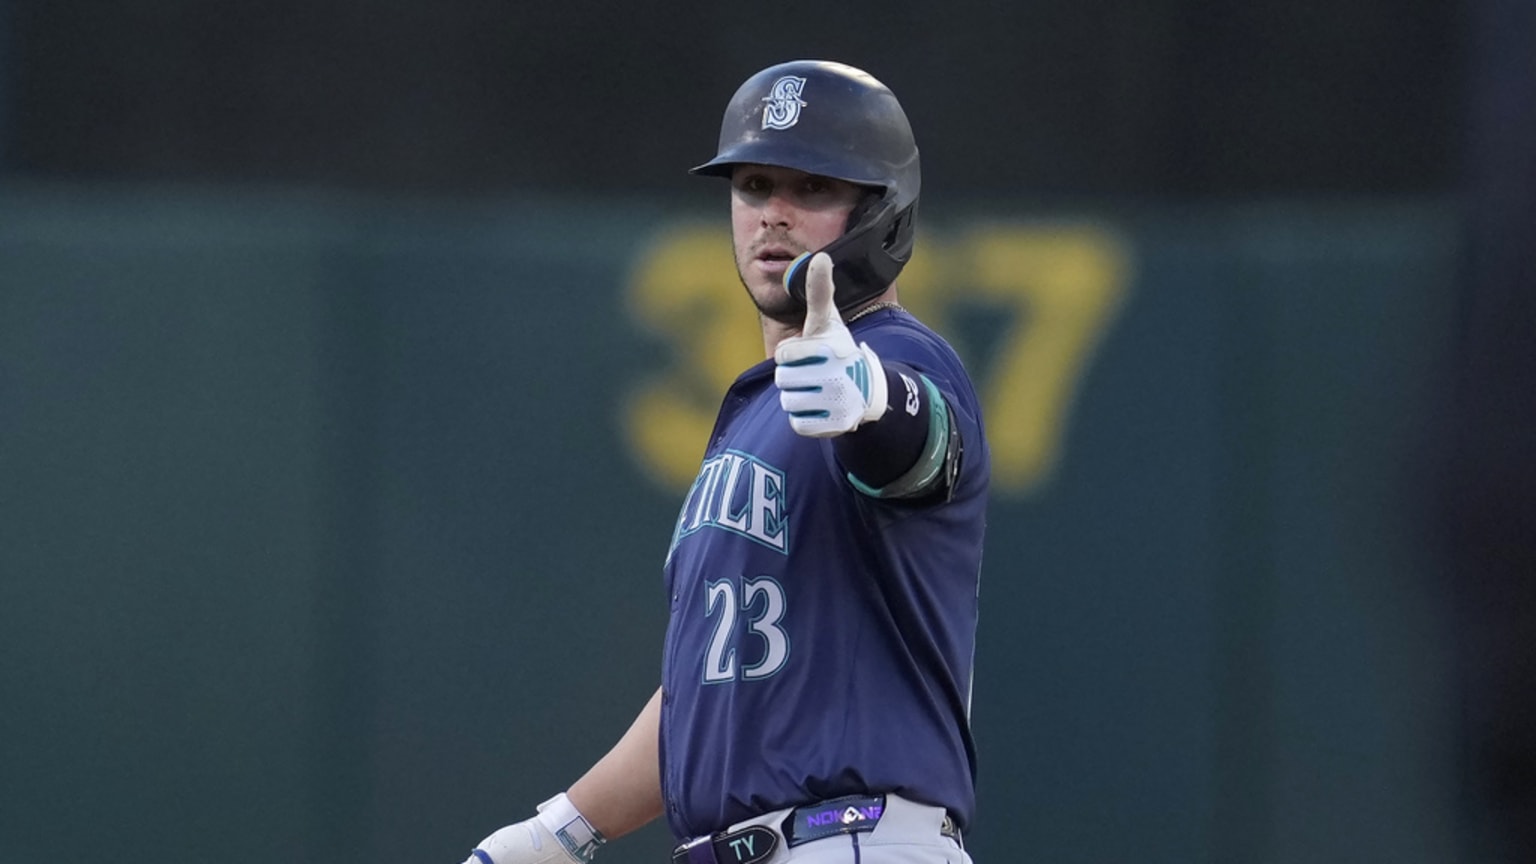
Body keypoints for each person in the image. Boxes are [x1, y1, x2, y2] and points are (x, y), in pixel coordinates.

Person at [459, 59, 990, 864]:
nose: (772, 215)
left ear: (881, 212)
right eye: (752, 184)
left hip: (853, 841)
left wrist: (873, 399)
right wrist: (560, 830)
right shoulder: (756, 410)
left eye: (811, 189)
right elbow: (711, 694)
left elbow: (923, 443)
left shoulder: (903, 358)